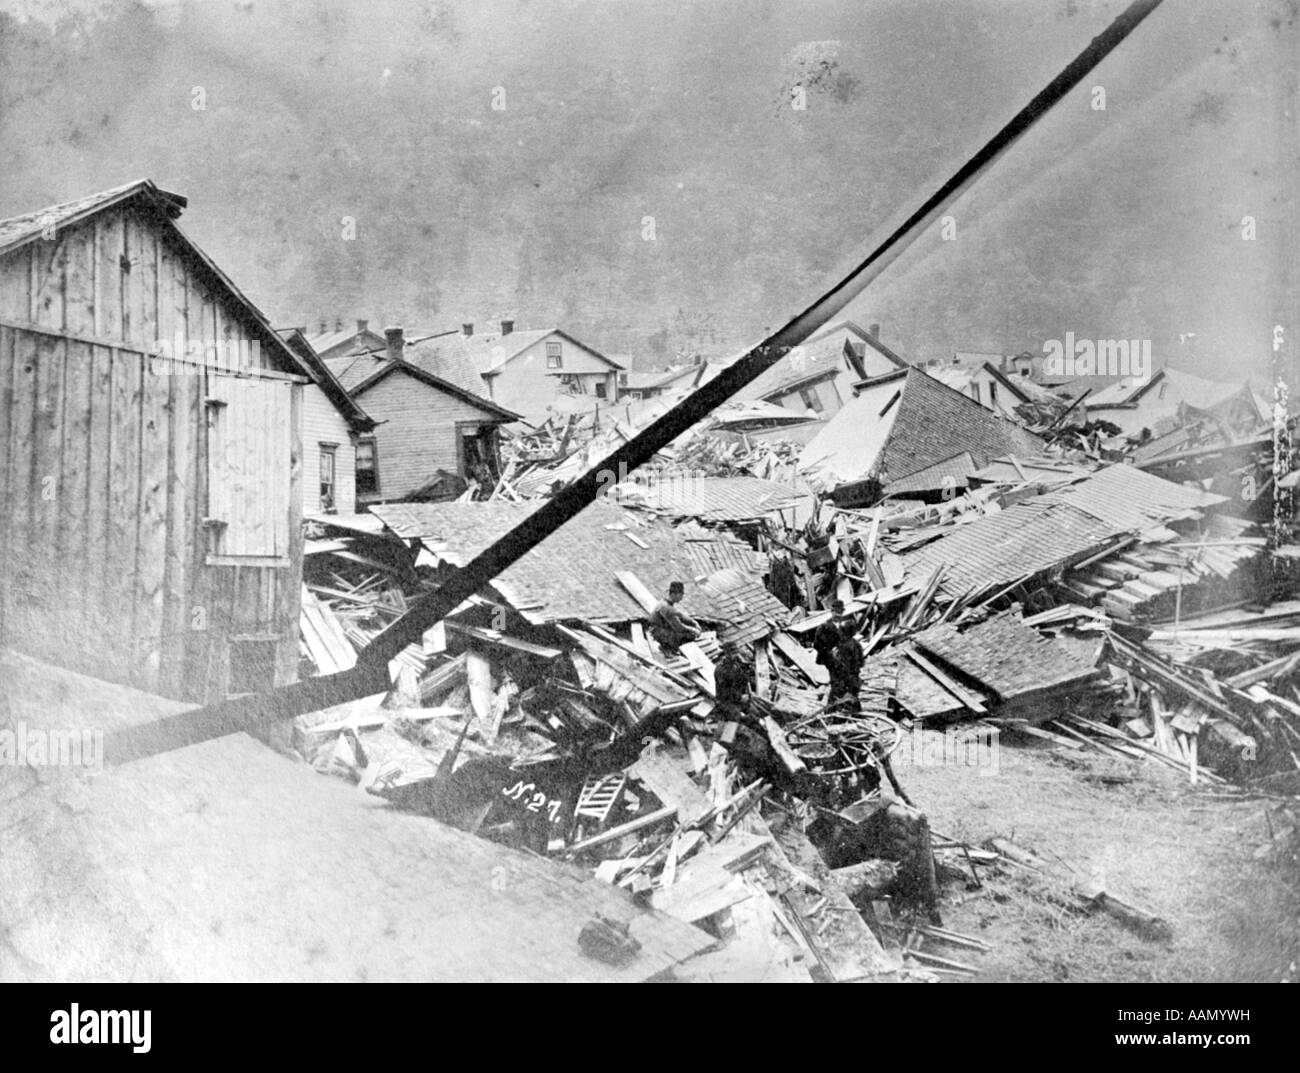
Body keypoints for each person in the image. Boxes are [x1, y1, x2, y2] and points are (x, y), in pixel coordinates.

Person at [647, 581, 701, 654]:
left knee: (687, 627)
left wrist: (693, 622)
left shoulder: (666, 602)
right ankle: (667, 649)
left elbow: (679, 614)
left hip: (659, 628)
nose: (682, 598)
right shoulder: (666, 607)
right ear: (673, 594)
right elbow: (679, 627)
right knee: (689, 635)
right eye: (680, 595)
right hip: (658, 632)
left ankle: (670, 646)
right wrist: (693, 630)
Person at [828, 623, 864, 712]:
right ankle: (857, 715)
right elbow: (861, 662)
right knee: (853, 697)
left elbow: (838, 664)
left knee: (835, 697)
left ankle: (831, 716)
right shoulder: (857, 644)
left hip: (843, 678)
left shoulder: (842, 646)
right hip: (853, 677)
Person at [714, 638, 752, 714]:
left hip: (740, 698)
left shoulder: (737, 664)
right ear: (726, 654)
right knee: (739, 718)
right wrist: (740, 697)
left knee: (755, 713)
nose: (734, 655)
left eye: (735, 653)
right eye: (731, 653)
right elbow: (725, 691)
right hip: (726, 702)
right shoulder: (720, 670)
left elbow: (743, 680)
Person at [812, 599, 847, 668]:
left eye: (839, 613)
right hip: (826, 662)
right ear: (832, 612)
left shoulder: (845, 626)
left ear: (843, 612)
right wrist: (830, 652)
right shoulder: (823, 627)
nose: (838, 615)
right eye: (836, 613)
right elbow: (816, 645)